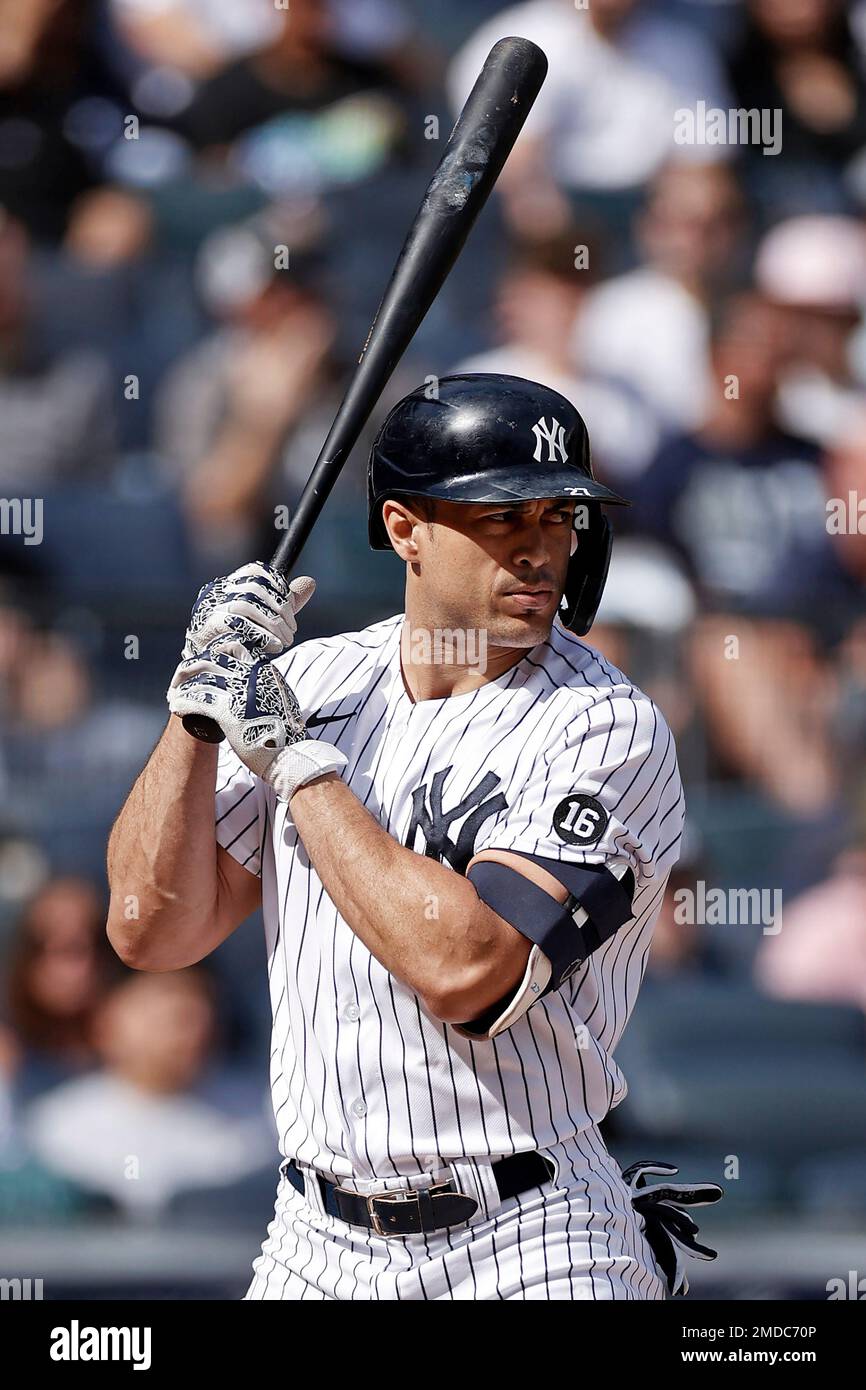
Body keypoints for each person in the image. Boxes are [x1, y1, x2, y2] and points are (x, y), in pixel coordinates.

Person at [107, 373, 721, 1299]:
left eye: (558, 518)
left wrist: (293, 760)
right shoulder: (317, 679)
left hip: (530, 1235)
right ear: (405, 530)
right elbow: (150, 930)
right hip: (313, 1238)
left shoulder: (604, 725)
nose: (539, 551)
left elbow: (467, 972)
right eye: (503, 518)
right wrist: (195, 710)